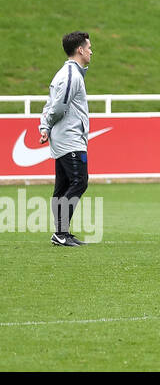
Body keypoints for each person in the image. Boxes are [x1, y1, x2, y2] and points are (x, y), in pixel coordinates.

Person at [40, 31, 93, 247]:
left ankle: (62, 233)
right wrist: (48, 124)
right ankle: (61, 233)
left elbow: (50, 103)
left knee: (62, 187)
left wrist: (45, 126)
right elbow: (59, 106)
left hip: (64, 138)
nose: (91, 51)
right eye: (89, 47)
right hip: (70, 139)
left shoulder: (66, 73)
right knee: (79, 182)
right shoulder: (71, 75)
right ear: (80, 50)